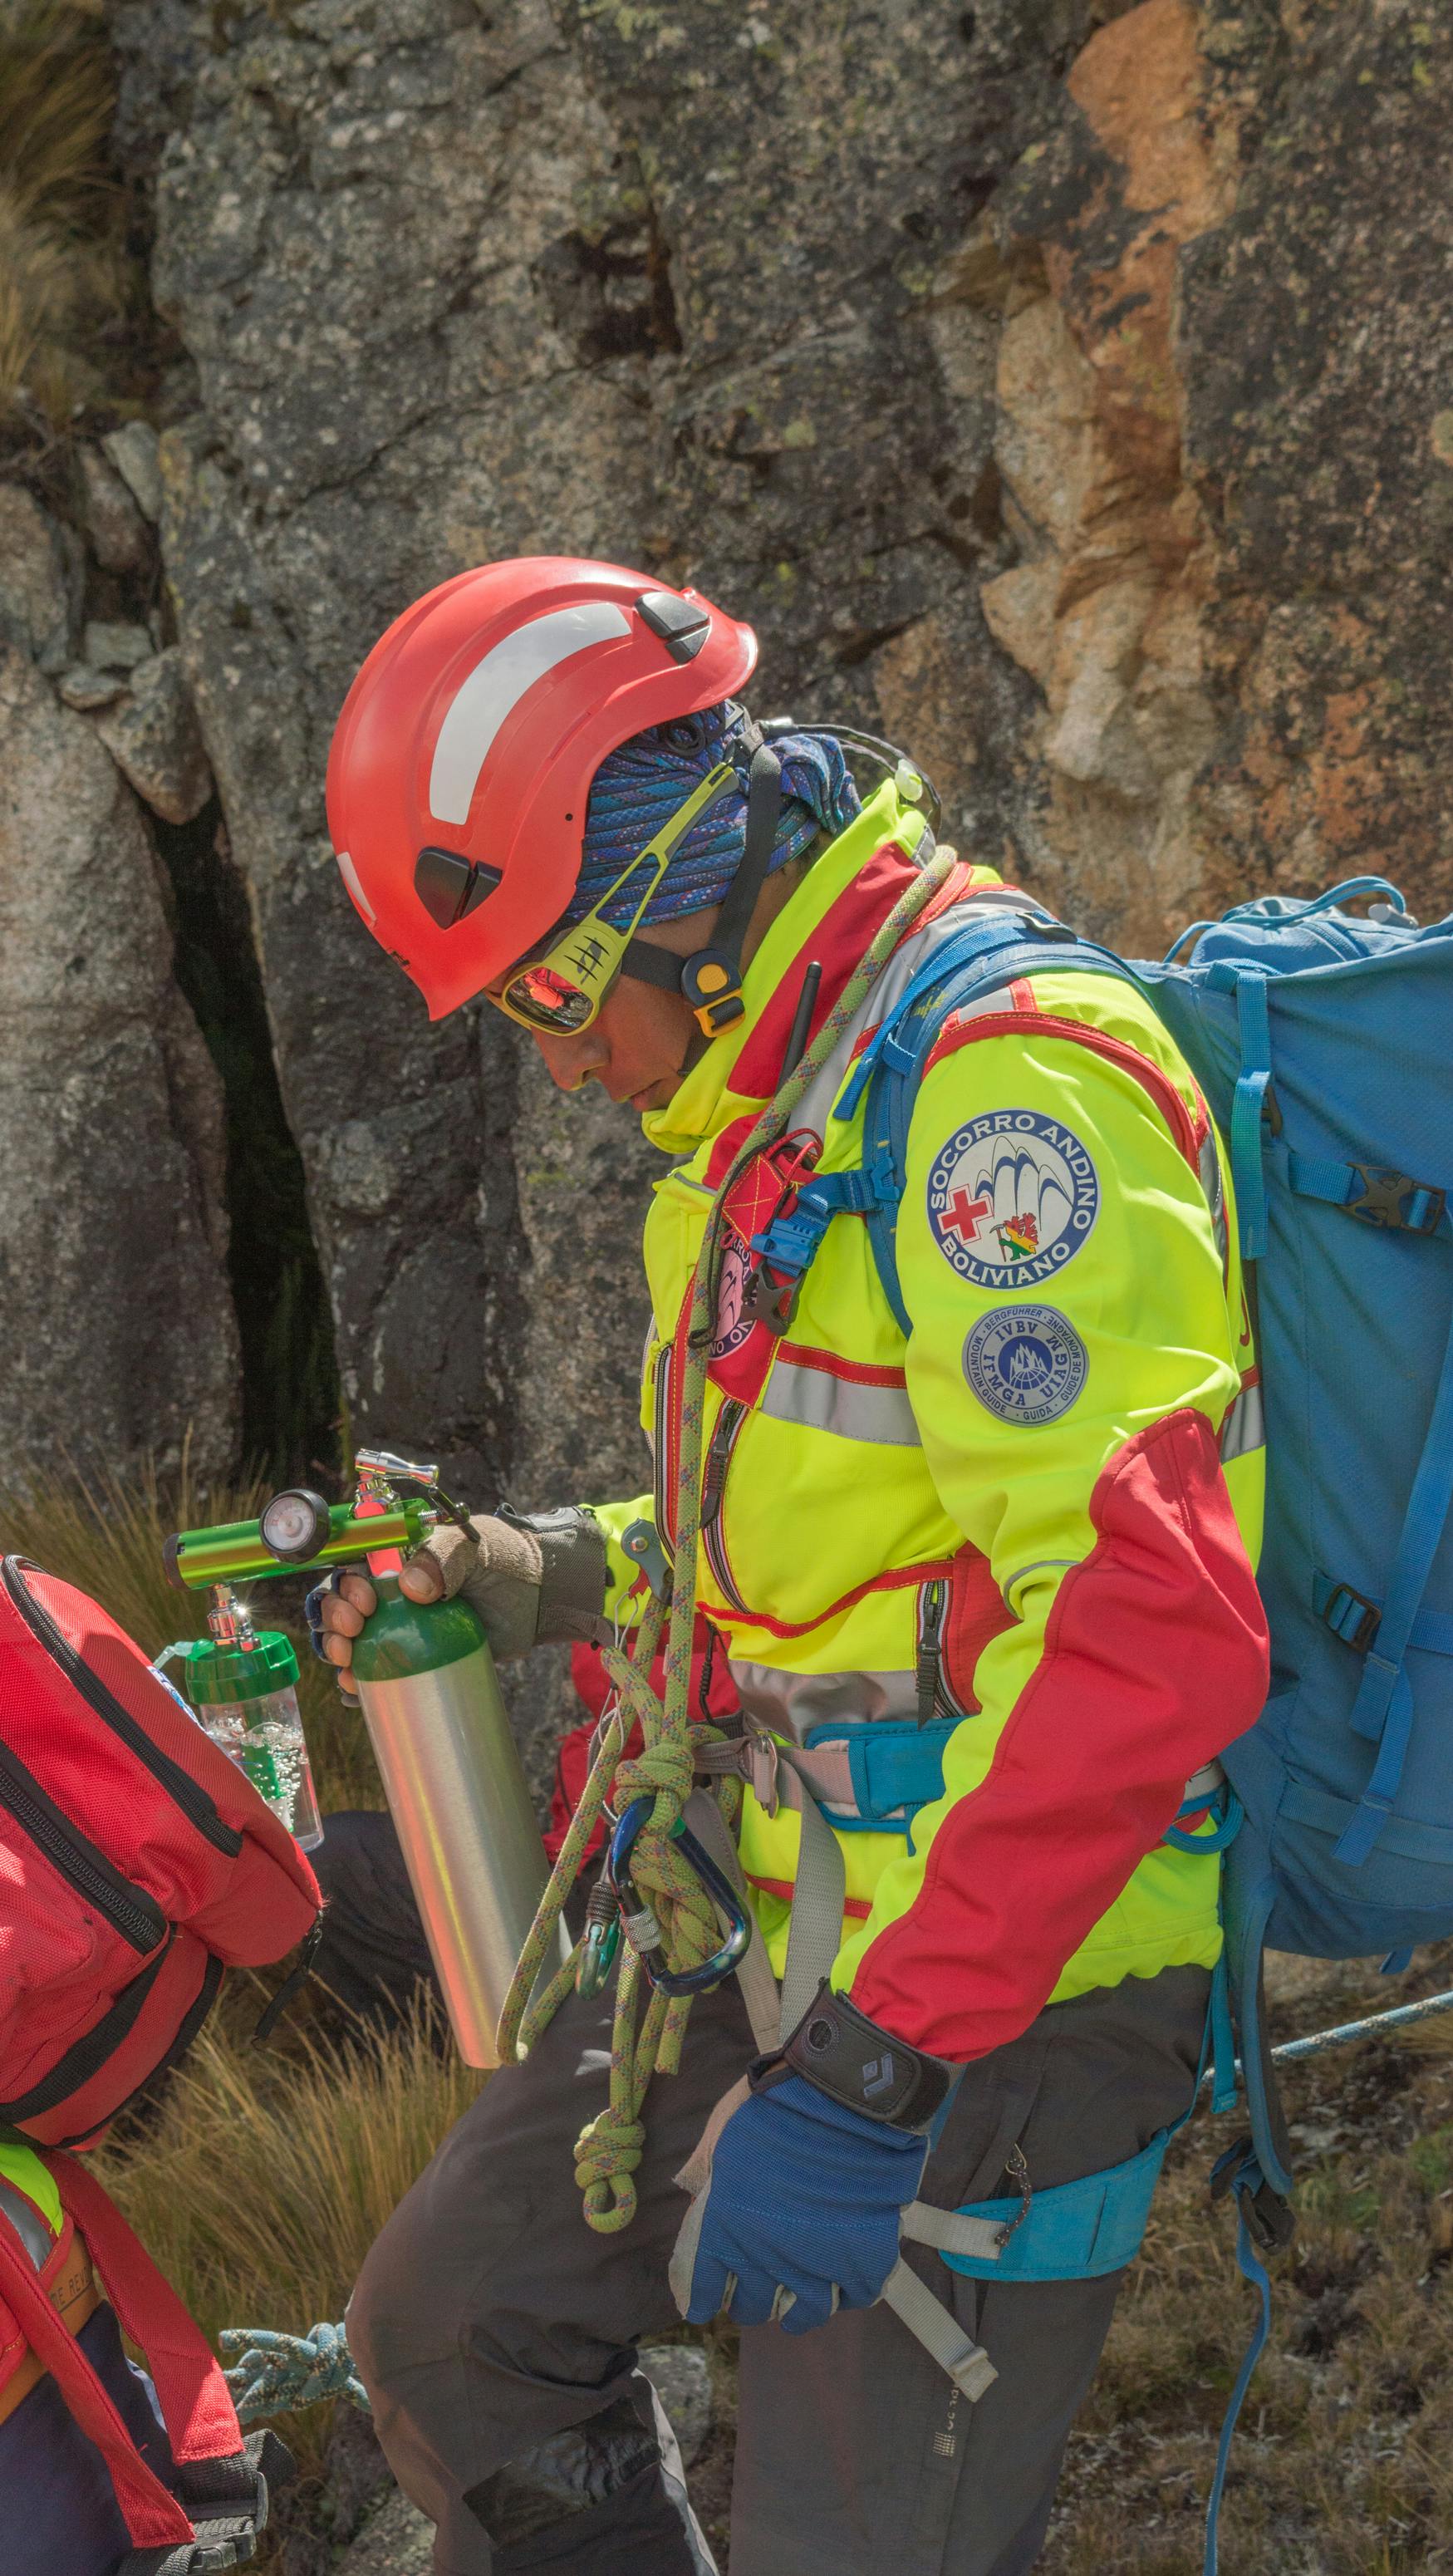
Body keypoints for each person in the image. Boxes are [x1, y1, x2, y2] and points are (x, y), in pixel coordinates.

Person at [307, 556, 1269, 2576]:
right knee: (452, 2333)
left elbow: (1148, 1627)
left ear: (664, 860)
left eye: (552, 989)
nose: (557, 1062)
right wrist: (542, 1566)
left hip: (1012, 1977)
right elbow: (840, 1530)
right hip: (774, 1917)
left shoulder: (1004, 1089)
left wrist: (868, 2070)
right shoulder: (780, 1099)